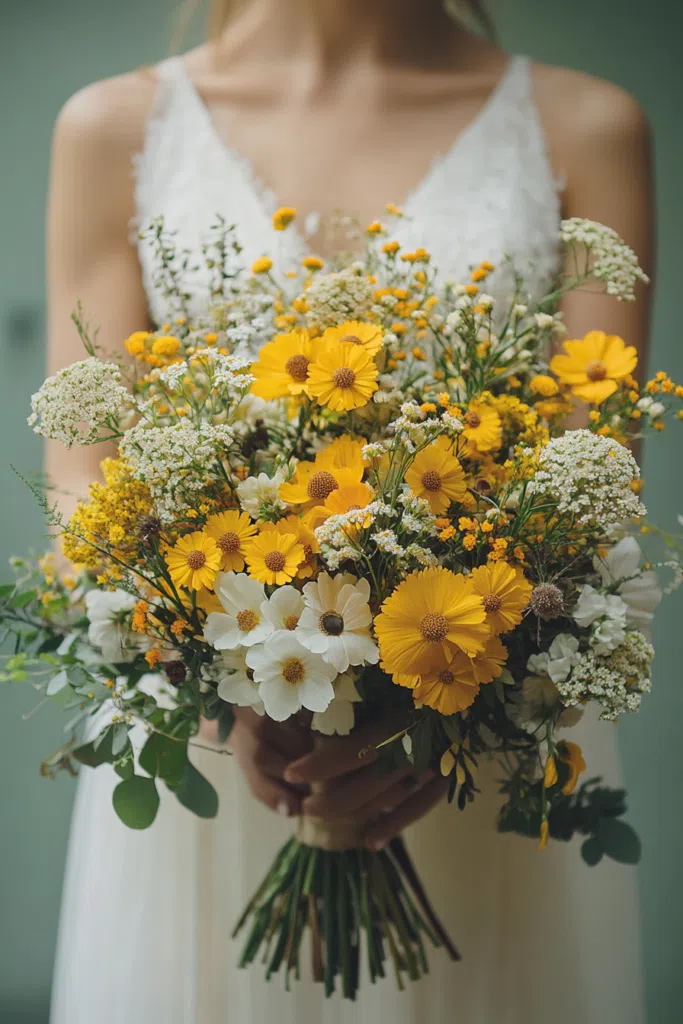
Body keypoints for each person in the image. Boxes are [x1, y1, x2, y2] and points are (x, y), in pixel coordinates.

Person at [48, 1, 652, 1021]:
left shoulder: (586, 125)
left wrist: (433, 706)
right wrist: (226, 684)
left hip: (476, 738)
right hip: (214, 735)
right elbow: (84, 483)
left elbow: (587, 485)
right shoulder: (110, 127)